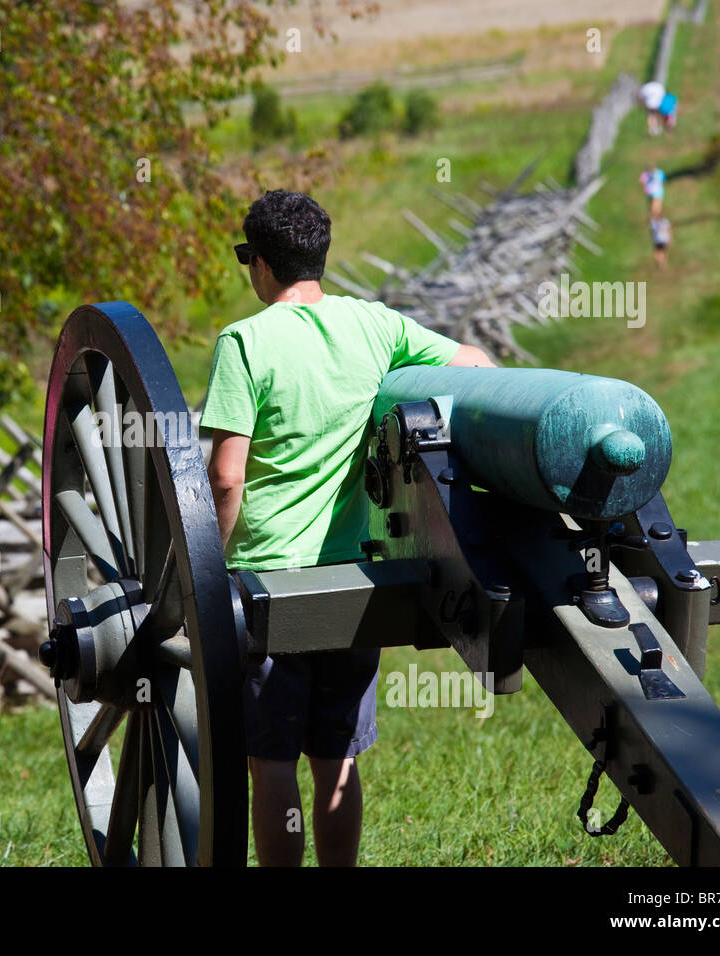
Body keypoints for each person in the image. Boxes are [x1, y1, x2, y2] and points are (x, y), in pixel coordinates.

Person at [199, 190, 494, 867]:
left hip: (269, 580)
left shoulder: (245, 342)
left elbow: (225, 478)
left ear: (263, 264)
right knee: (335, 761)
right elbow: (473, 362)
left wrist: (208, 571)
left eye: (247, 257)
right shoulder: (375, 326)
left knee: (270, 761)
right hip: (355, 578)